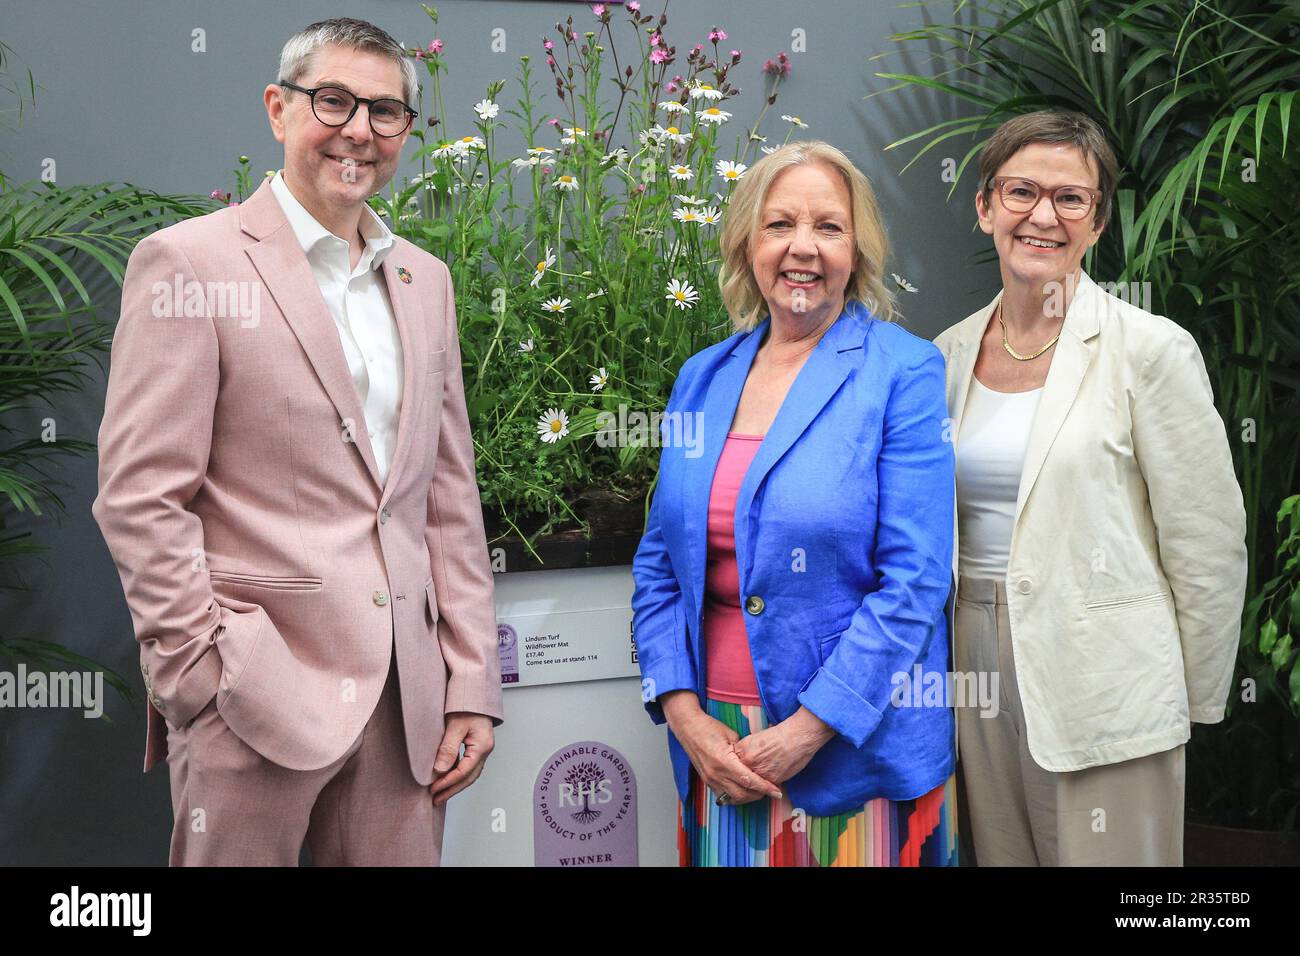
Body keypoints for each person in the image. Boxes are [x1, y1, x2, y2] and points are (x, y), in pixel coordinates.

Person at [91, 17, 502, 866]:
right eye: (334, 101)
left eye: (385, 111)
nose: (360, 129)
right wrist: (199, 675)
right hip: (253, 694)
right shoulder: (188, 264)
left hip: (405, 711)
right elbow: (140, 496)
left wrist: (469, 680)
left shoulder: (426, 281)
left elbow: (446, 497)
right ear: (279, 110)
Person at [933, 110, 1248, 866]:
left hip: (1106, 677)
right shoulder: (942, 355)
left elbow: (1206, 541)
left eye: (1071, 199)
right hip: (970, 665)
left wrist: (1186, 703)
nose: (1043, 215)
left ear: (1098, 222)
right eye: (1020, 192)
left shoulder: (1149, 350)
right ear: (984, 207)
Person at [631, 140, 958, 867]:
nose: (801, 248)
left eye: (828, 227)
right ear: (747, 242)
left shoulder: (903, 372)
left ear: (858, 249)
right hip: (717, 747)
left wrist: (807, 731)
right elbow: (659, 565)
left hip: (852, 749)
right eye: (780, 225)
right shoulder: (701, 378)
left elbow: (916, 583)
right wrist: (683, 714)